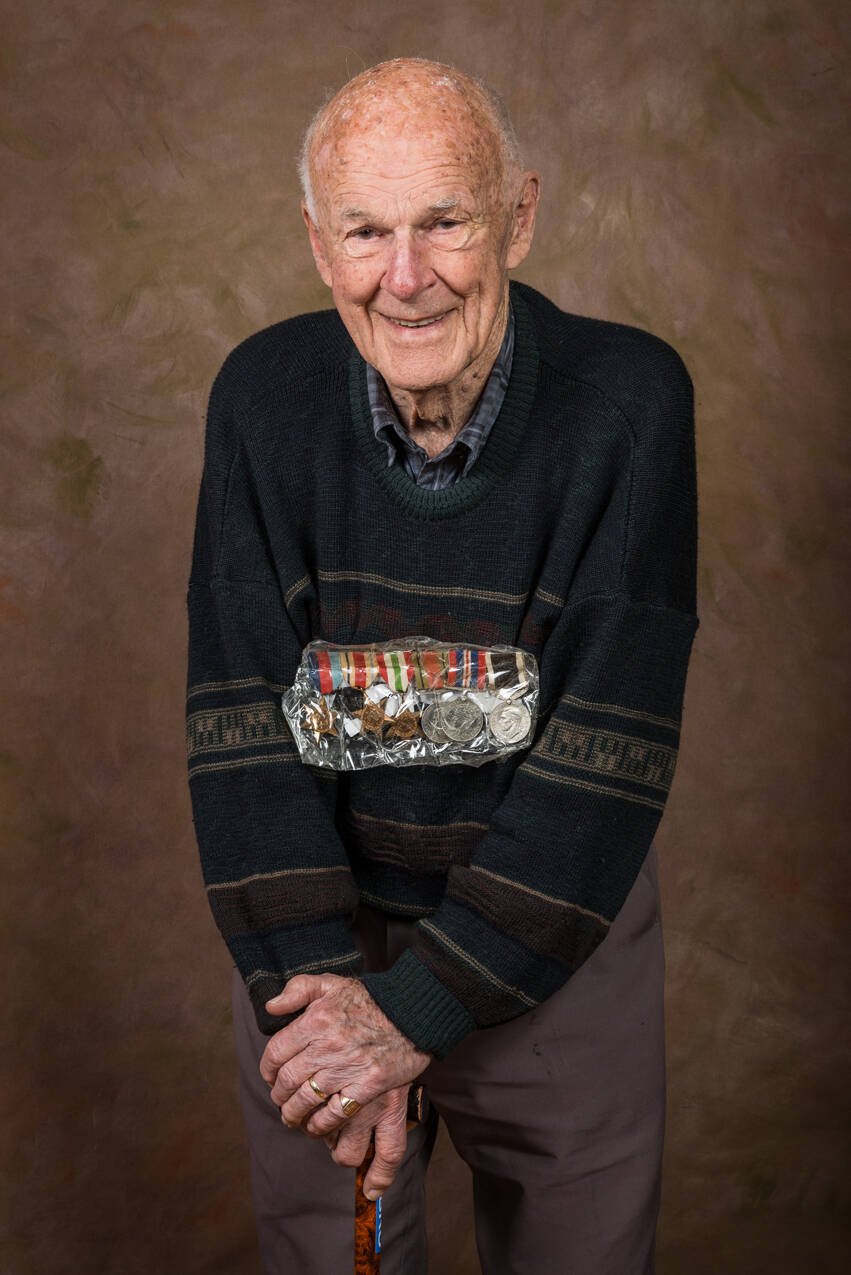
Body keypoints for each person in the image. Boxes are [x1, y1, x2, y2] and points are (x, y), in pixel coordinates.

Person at [186, 57, 698, 1274]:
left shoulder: (628, 406)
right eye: (365, 231)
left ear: (517, 217)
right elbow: (241, 730)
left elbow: (602, 759)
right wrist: (330, 1007)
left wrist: (417, 1011)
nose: (404, 277)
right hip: (320, 946)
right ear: (318, 244)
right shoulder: (261, 399)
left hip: (555, 932)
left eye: (445, 223)